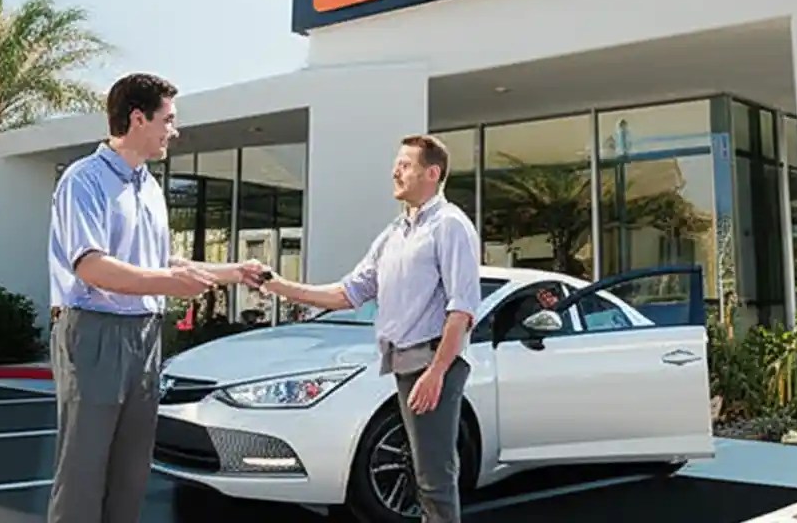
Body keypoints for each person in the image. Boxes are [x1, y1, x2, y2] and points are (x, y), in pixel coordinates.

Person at [47, 72, 261, 523]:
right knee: (84, 472)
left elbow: (162, 262)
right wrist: (168, 283)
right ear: (138, 118)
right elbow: (92, 267)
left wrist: (232, 272)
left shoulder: (150, 186)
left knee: (131, 474)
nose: (174, 131)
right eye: (168, 119)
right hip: (95, 333)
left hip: (145, 335)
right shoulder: (83, 180)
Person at [240, 133, 481, 523]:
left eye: (405, 165)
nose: (395, 172)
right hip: (404, 361)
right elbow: (347, 293)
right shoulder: (395, 233)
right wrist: (277, 285)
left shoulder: (450, 225)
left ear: (432, 173)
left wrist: (437, 371)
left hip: (431, 359)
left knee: (434, 476)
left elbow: (462, 308)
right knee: (422, 472)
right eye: (396, 164)